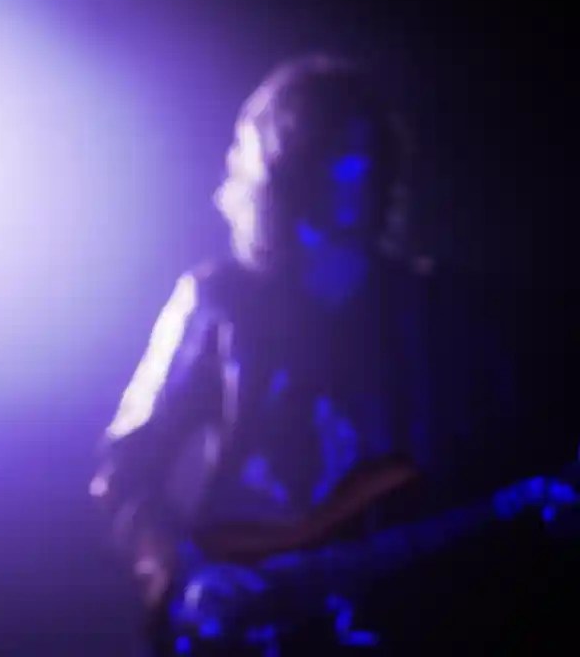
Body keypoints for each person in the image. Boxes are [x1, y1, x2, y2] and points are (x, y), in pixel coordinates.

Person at [90, 55, 577, 655]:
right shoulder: (220, 300)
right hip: (247, 619)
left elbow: (496, 457)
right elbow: (128, 463)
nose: (359, 169)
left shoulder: (436, 309)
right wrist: (184, 573)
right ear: (284, 167)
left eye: (369, 152)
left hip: (394, 617)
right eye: (336, 151)